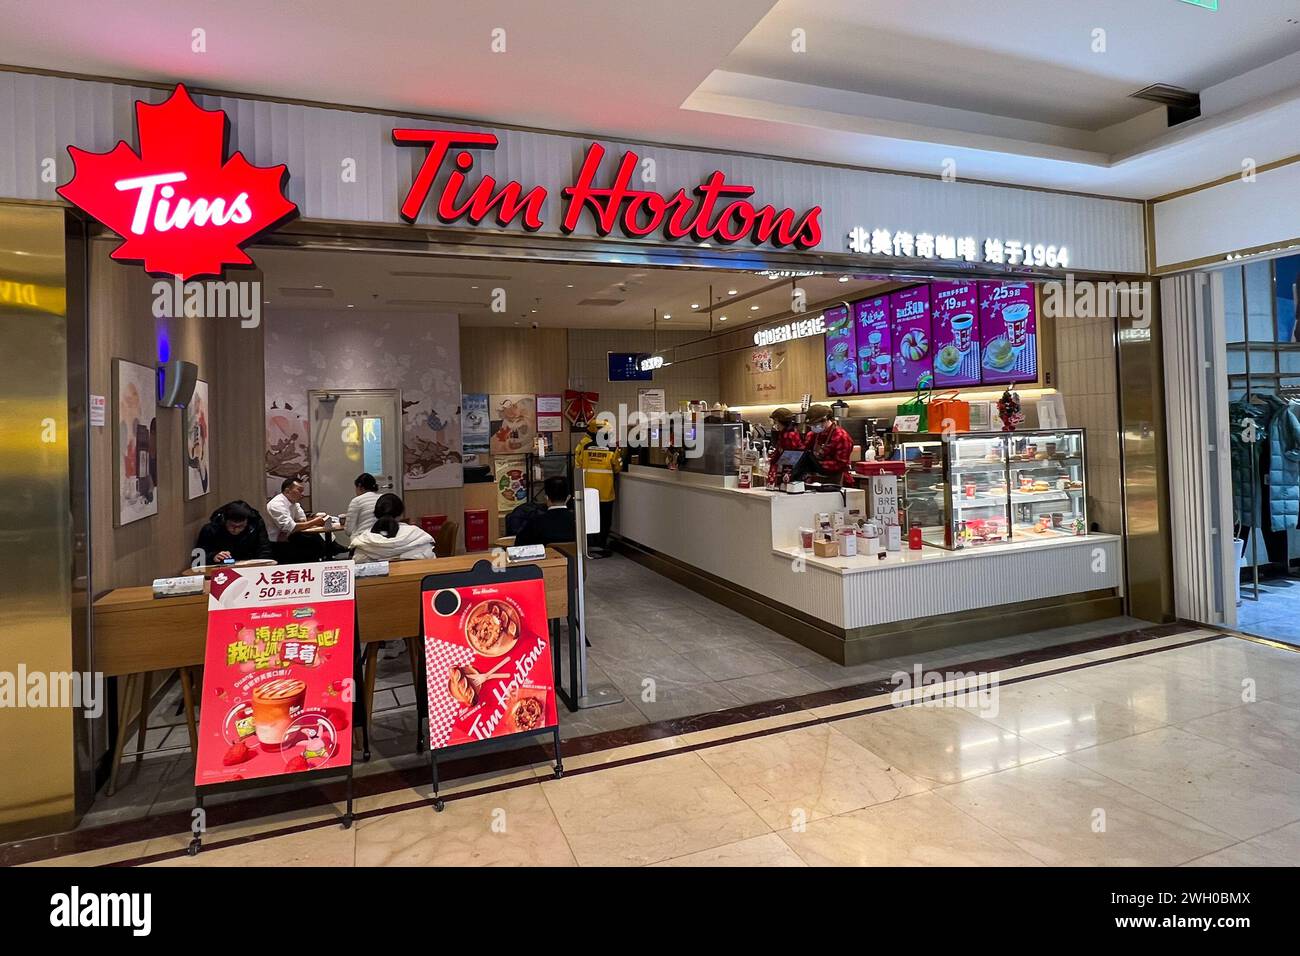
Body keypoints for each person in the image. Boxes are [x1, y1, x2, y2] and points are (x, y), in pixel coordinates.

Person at [574, 417, 623, 556]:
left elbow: (577, 466)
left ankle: (589, 544)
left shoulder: (583, 447)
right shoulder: (612, 449)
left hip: (588, 491)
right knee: (604, 520)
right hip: (606, 492)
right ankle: (601, 544)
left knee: (588, 519)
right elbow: (618, 467)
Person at [350, 494, 435, 561]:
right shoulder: (417, 535)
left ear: (376, 513)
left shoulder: (364, 540)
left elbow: (357, 563)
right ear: (401, 513)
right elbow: (431, 560)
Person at [266, 476, 329, 563]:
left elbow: (302, 520)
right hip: (278, 543)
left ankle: (329, 551)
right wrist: (314, 522)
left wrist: (303, 523)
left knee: (314, 539)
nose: (302, 494)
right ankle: (329, 551)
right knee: (314, 543)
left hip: (290, 537)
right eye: (299, 490)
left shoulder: (294, 503)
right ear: (287, 491)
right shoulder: (276, 504)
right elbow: (290, 527)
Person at [195, 501, 273, 564]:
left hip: (250, 566)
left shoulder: (255, 525)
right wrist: (213, 556)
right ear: (224, 521)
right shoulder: (210, 529)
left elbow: (264, 550)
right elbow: (197, 560)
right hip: (221, 570)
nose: (236, 530)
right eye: (232, 526)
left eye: (241, 526)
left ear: (247, 522)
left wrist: (262, 565)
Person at [515, 476, 576, 547]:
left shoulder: (534, 522)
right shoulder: (580, 522)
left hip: (547, 558)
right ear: (568, 497)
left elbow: (519, 547)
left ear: (546, 498)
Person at [803, 404, 853, 485]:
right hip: (815, 480)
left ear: (825, 420)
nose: (813, 427)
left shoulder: (841, 436)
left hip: (836, 481)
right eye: (811, 425)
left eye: (815, 424)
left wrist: (816, 465)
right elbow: (804, 452)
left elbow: (841, 463)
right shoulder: (812, 435)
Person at [766, 407, 806, 486]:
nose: (774, 424)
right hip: (788, 471)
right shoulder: (785, 433)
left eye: (775, 421)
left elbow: (791, 457)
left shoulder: (790, 435)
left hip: (792, 474)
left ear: (778, 421)